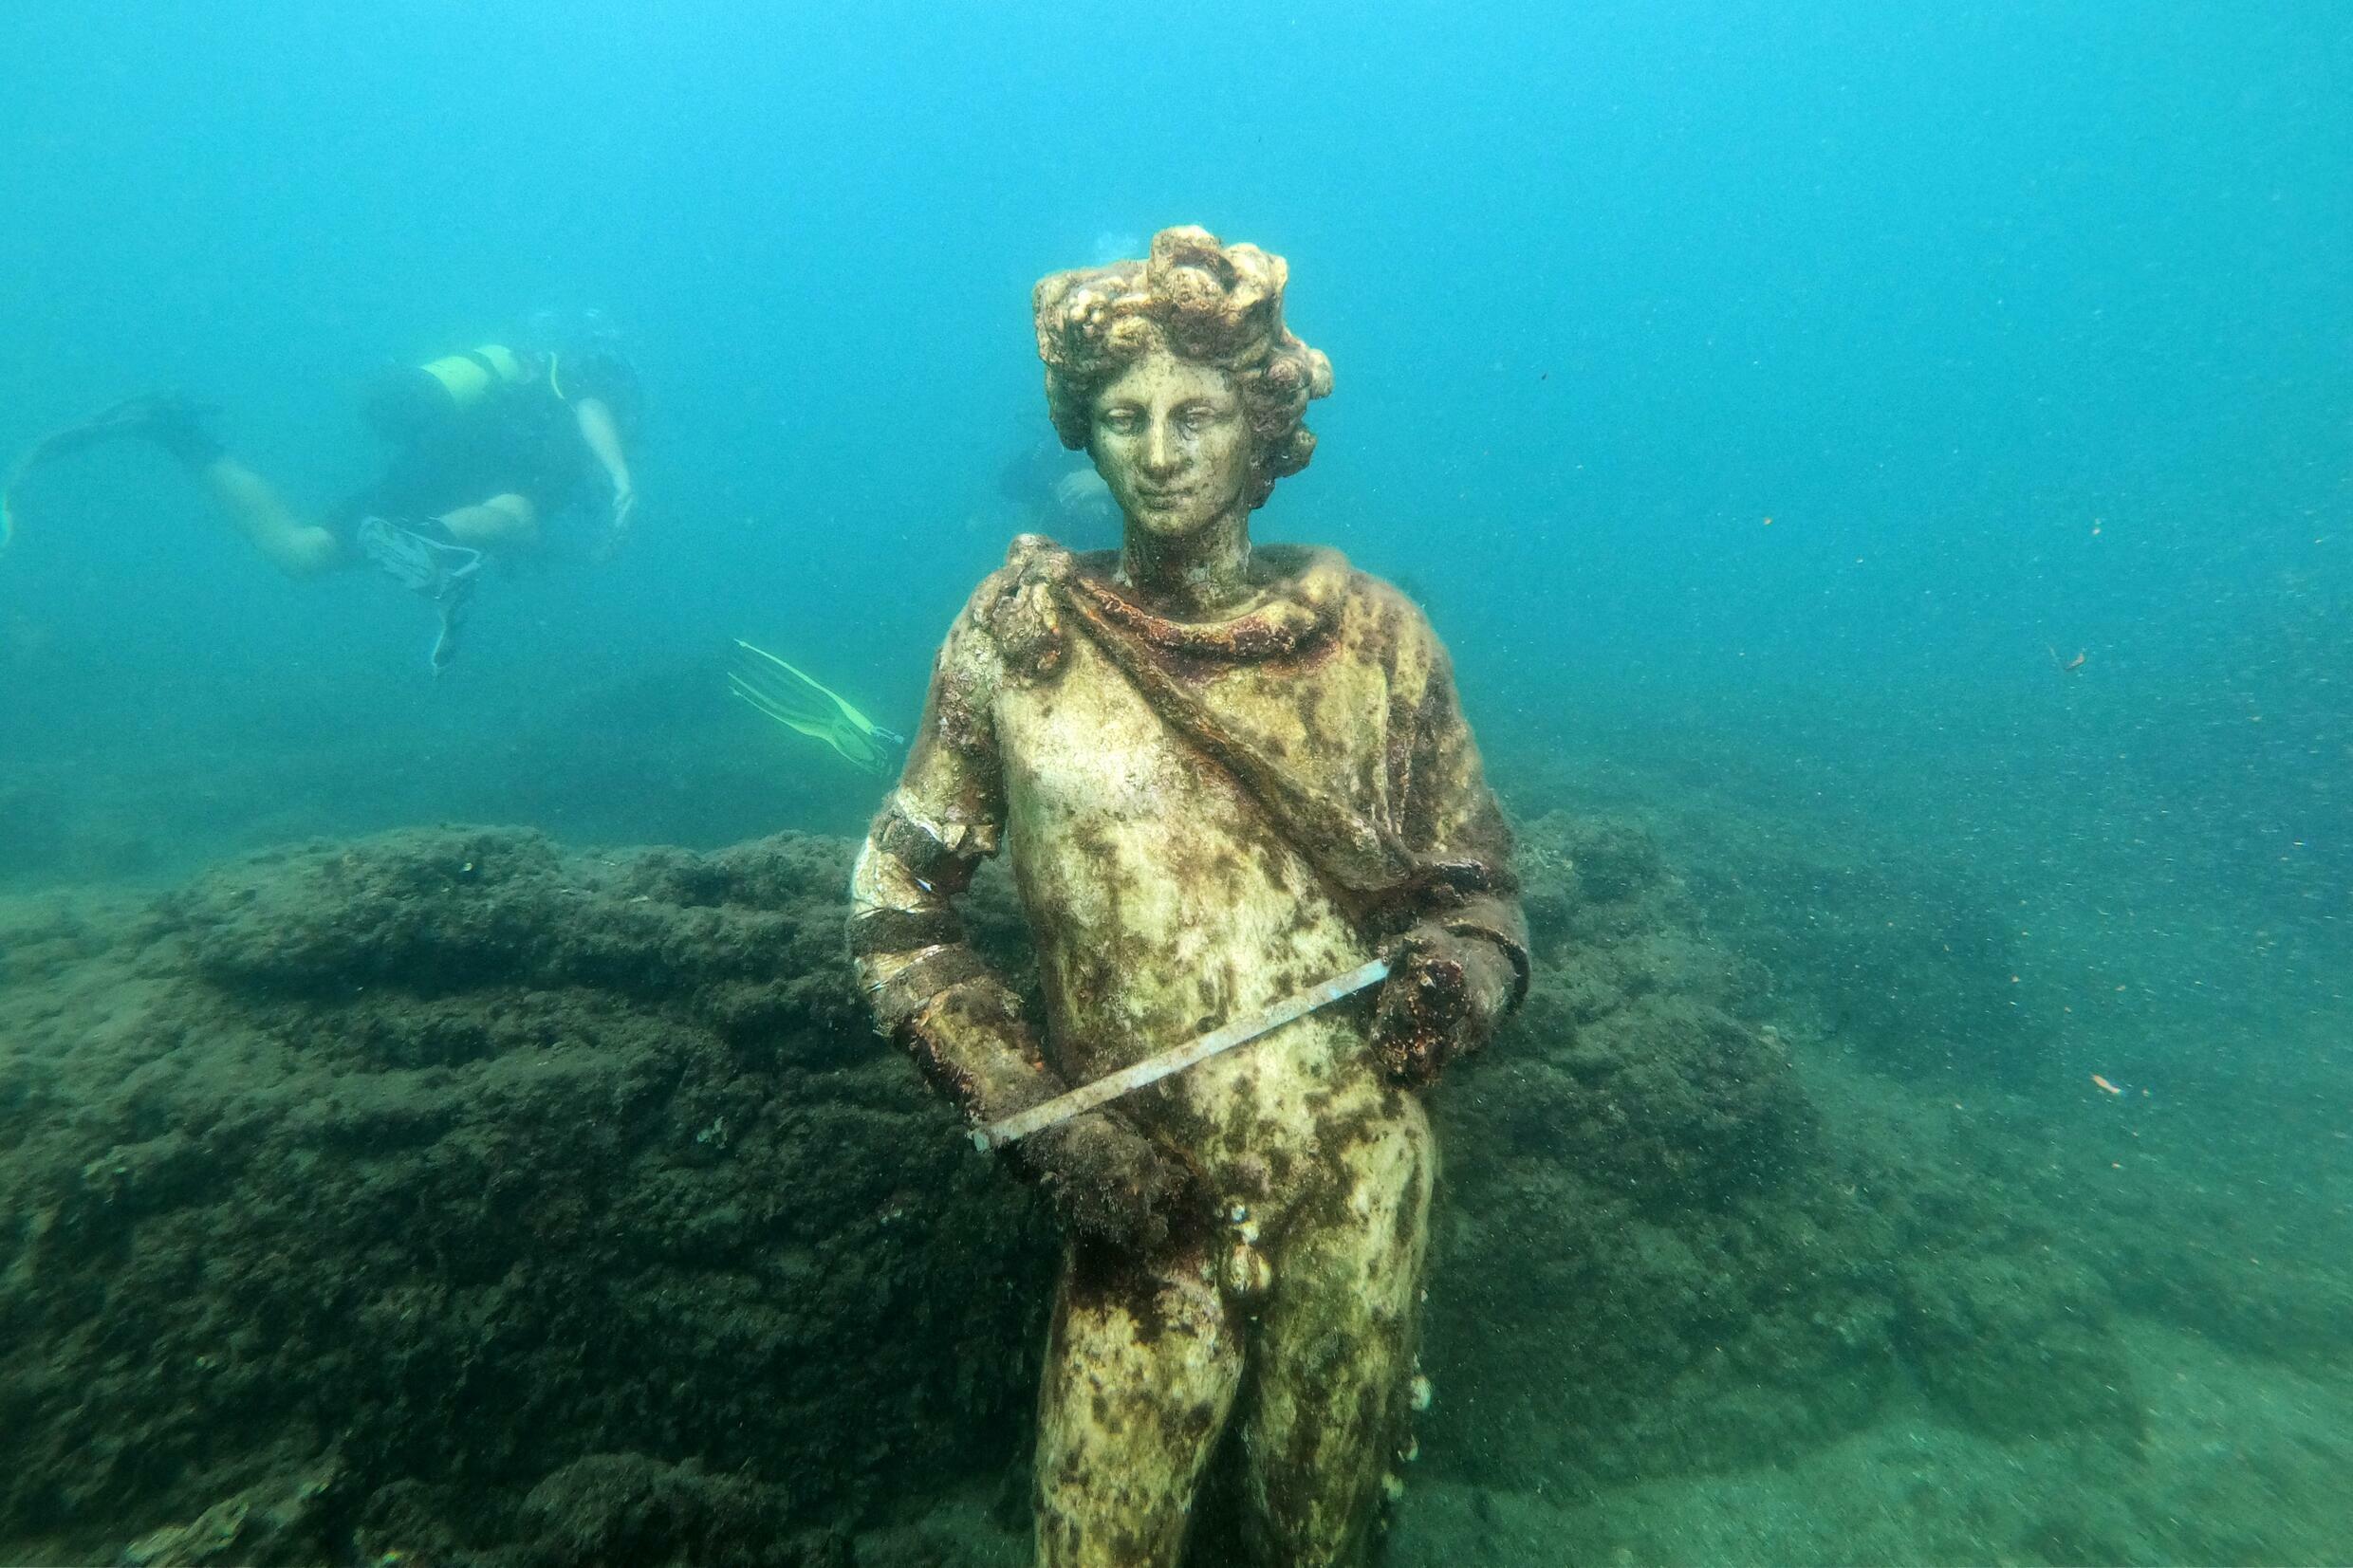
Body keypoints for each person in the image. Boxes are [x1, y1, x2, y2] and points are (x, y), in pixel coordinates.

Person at [849, 228, 1529, 1566]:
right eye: (1123, 416)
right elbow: (895, 911)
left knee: (1318, 1538)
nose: (1160, 449)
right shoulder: (1018, 643)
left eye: (1197, 412)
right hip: (1138, 1200)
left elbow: (1481, 892)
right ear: (1082, 438)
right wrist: (1045, 1127)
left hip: (1359, 1174)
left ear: (1261, 426)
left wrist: (1458, 983)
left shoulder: (1379, 640)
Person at [28, 320, 639, 671]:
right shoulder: (590, 381)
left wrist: (578, 556)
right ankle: (431, 537)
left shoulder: (512, 382)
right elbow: (591, 412)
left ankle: (178, 433)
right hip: (504, 462)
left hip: (439, 456)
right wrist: (620, 478)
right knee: (517, 516)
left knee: (301, 554)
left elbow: (522, 542)